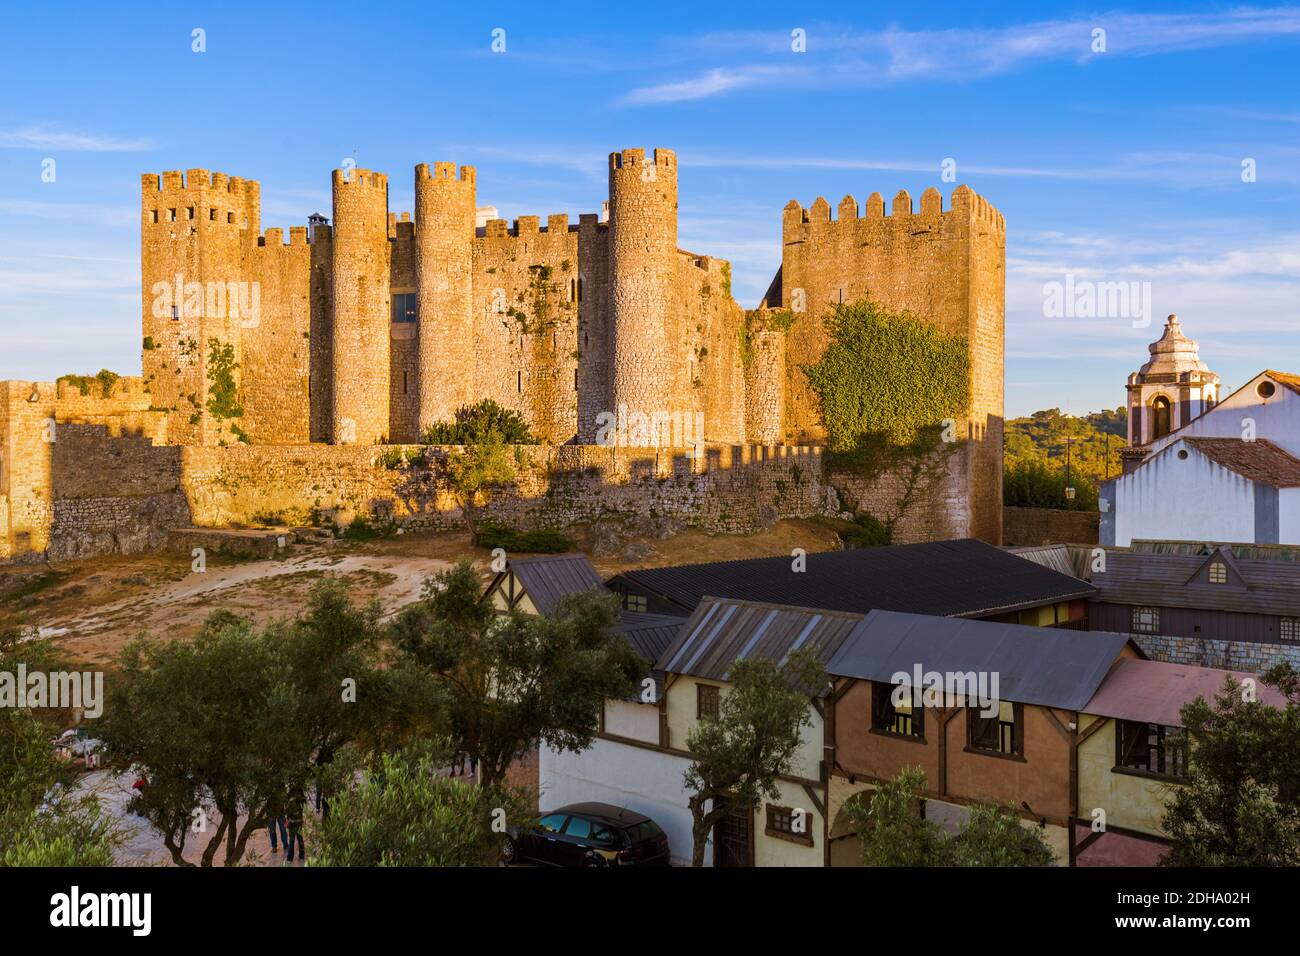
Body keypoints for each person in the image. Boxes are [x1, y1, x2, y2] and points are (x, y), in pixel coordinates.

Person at [285, 787, 306, 864]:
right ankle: (301, 856)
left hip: (293, 824)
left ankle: (290, 858)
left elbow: (287, 811)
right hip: (298, 823)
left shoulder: (291, 799)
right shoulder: (301, 798)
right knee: (299, 839)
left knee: (292, 841)